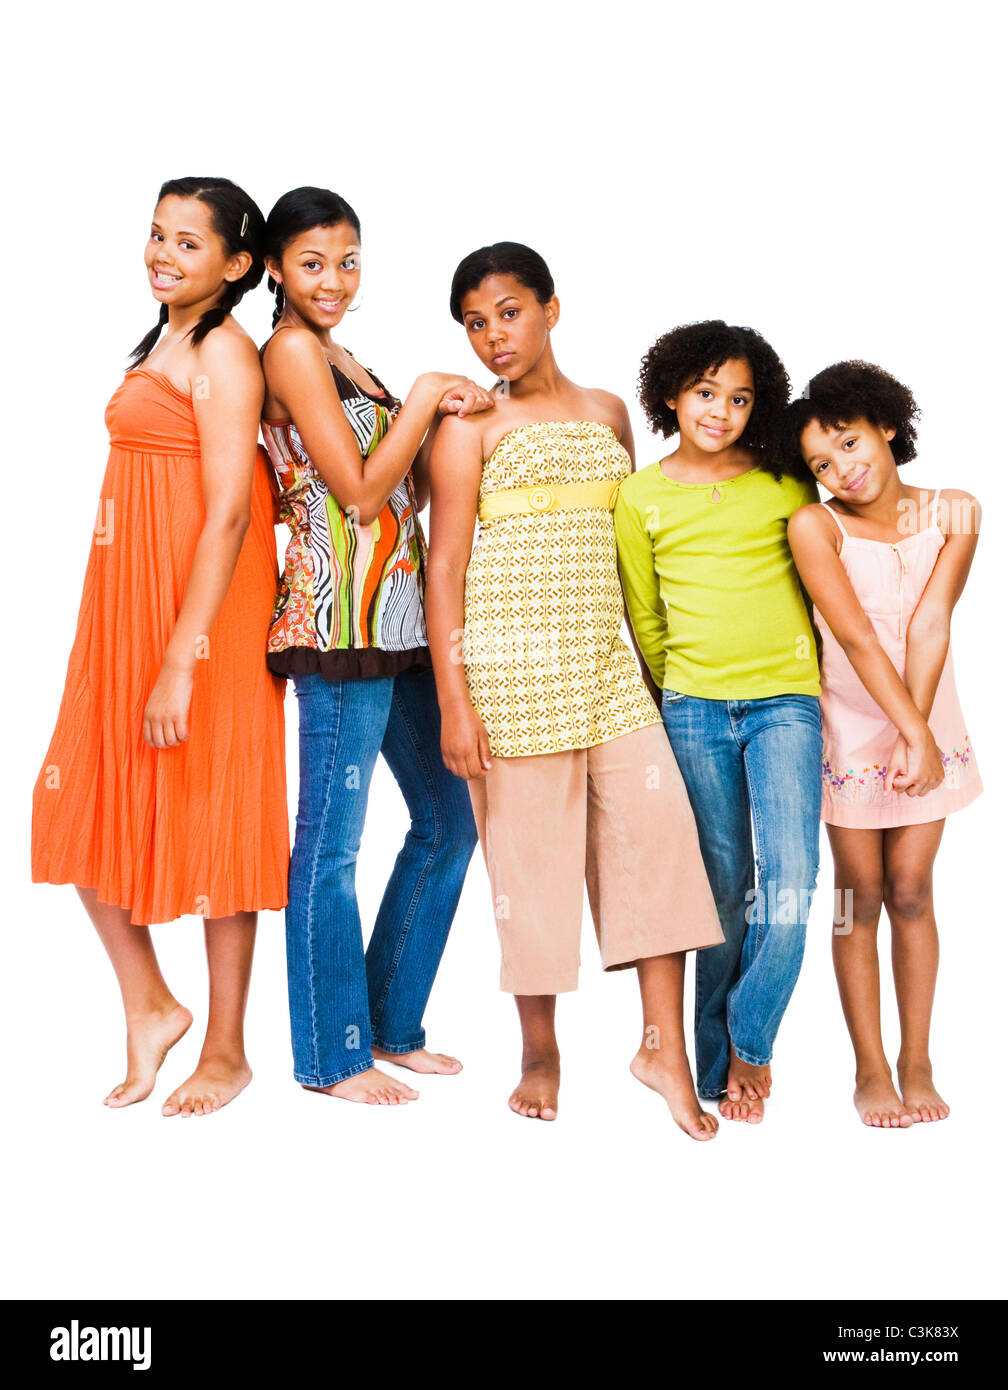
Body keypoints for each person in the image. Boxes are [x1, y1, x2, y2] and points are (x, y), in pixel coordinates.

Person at [424, 242, 724, 1139]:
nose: (493, 336)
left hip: (609, 670)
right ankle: (541, 1051)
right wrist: (453, 700)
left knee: (659, 843)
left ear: (552, 309)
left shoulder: (607, 413)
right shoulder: (469, 428)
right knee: (532, 868)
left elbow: (635, 551)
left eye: (508, 312)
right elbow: (445, 566)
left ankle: (660, 1046)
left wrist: (657, 666)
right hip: (511, 675)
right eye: (475, 324)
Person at [32, 176, 288, 1118]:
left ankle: (226, 1048)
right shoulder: (171, 338)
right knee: (75, 795)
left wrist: (184, 654)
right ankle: (149, 1004)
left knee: (219, 794)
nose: (163, 254)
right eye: (156, 235)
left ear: (237, 265)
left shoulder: (224, 350)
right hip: (124, 600)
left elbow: (227, 511)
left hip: (201, 609)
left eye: (188, 242)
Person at [260, 187, 488, 1105]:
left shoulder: (347, 355)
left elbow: (399, 498)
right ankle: (331, 1053)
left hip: (398, 625)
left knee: (449, 821)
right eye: (313, 262)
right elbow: (355, 494)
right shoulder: (289, 350)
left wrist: (445, 430)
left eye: (348, 261)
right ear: (276, 265)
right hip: (336, 627)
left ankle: (391, 1023)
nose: (334, 280)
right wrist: (428, 395)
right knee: (331, 846)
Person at [614, 320, 822, 1124]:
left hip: (785, 706)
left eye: (739, 398)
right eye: (706, 393)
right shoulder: (640, 494)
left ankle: (751, 1043)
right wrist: (675, 699)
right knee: (723, 892)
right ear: (671, 394)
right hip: (694, 710)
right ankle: (707, 1069)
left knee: (794, 882)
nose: (722, 411)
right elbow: (645, 615)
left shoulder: (782, 483)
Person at [782, 361, 981, 1127]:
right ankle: (868, 1068)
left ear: (887, 425)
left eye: (850, 444)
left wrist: (922, 735)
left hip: (928, 720)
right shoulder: (816, 525)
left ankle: (918, 1060)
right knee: (855, 897)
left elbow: (931, 623)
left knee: (912, 889)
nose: (843, 470)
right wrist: (904, 733)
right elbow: (857, 636)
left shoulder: (957, 510)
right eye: (821, 464)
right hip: (850, 723)